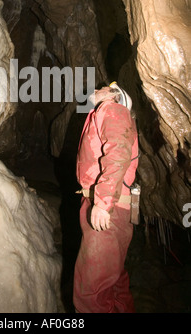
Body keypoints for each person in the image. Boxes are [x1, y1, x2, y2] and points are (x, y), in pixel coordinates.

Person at [73, 82, 139, 313]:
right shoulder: (105, 113)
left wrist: (102, 203)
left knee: (92, 291)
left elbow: (118, 151)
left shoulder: (111, 109)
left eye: (104, 87)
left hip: (108, 209)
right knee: (113, 283)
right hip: (113, 207)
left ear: (113, 94)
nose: (97, 89)